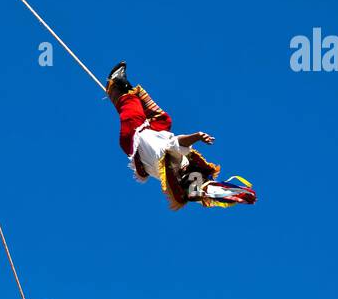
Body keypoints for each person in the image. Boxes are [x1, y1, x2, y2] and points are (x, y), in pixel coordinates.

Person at [106, 62, 257, 209]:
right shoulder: (178, 169)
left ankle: (117, 83)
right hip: (145, 137)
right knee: (163, 120)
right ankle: (118, 89)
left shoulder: (175, 164)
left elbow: (178, 143)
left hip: (135, 134)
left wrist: (197, 136)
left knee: (131, 103)